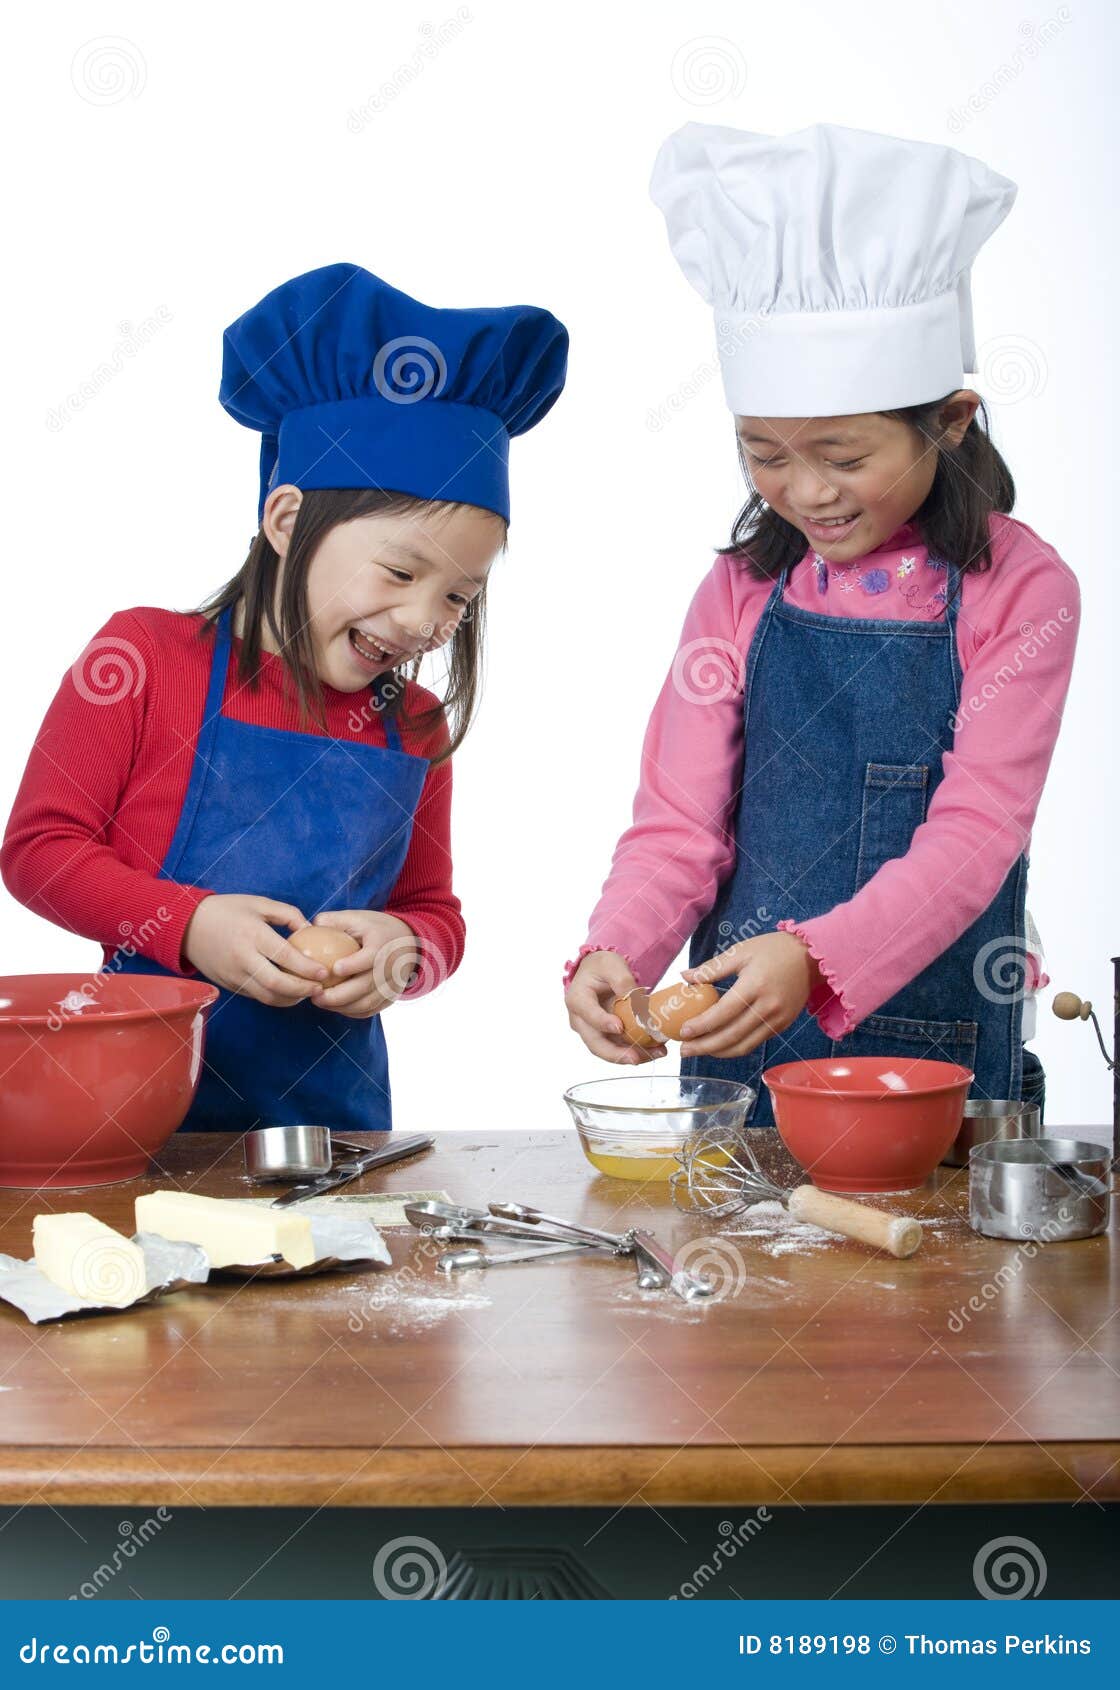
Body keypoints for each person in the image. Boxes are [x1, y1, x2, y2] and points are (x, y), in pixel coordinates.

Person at [565, 123, 1075, 1127]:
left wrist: (816, 958)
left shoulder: (1019, 588)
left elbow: (977, 834)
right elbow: (678, 826)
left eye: (842, 455)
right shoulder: (740, 588)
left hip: (938, 1069)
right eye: (763, 452)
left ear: (952, 419)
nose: (804, 492)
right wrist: (616, 948)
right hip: (745, 1068)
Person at [3, 263, 567, 1131]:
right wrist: (185, 923)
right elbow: (39, 850)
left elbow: (430, 908)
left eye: (459, 594)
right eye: (400, 570)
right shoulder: (145, 656)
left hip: (330, 1132)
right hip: (137, 1116)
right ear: (285, 520)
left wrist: (408, 953)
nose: (425, 620)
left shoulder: (413, 726)